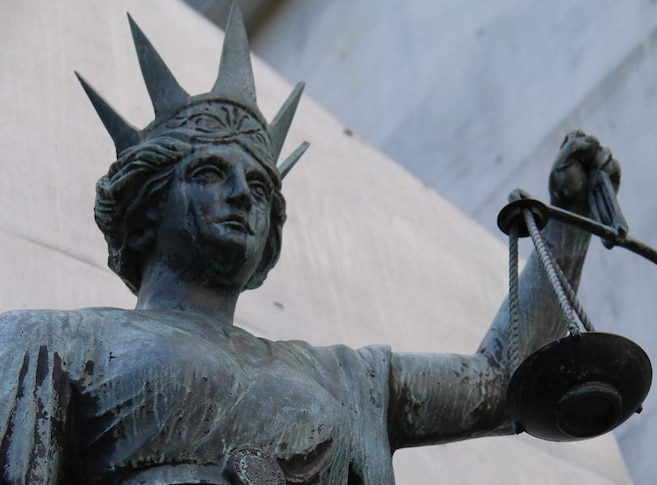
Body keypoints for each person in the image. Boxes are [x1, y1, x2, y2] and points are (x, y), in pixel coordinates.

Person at [0, 5, 620, 485]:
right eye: (211, 175)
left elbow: (500, 382)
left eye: (262, 188)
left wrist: (565, 228)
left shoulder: (352, 379)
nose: (244, 195)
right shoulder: (49, 344)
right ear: (144, 213)